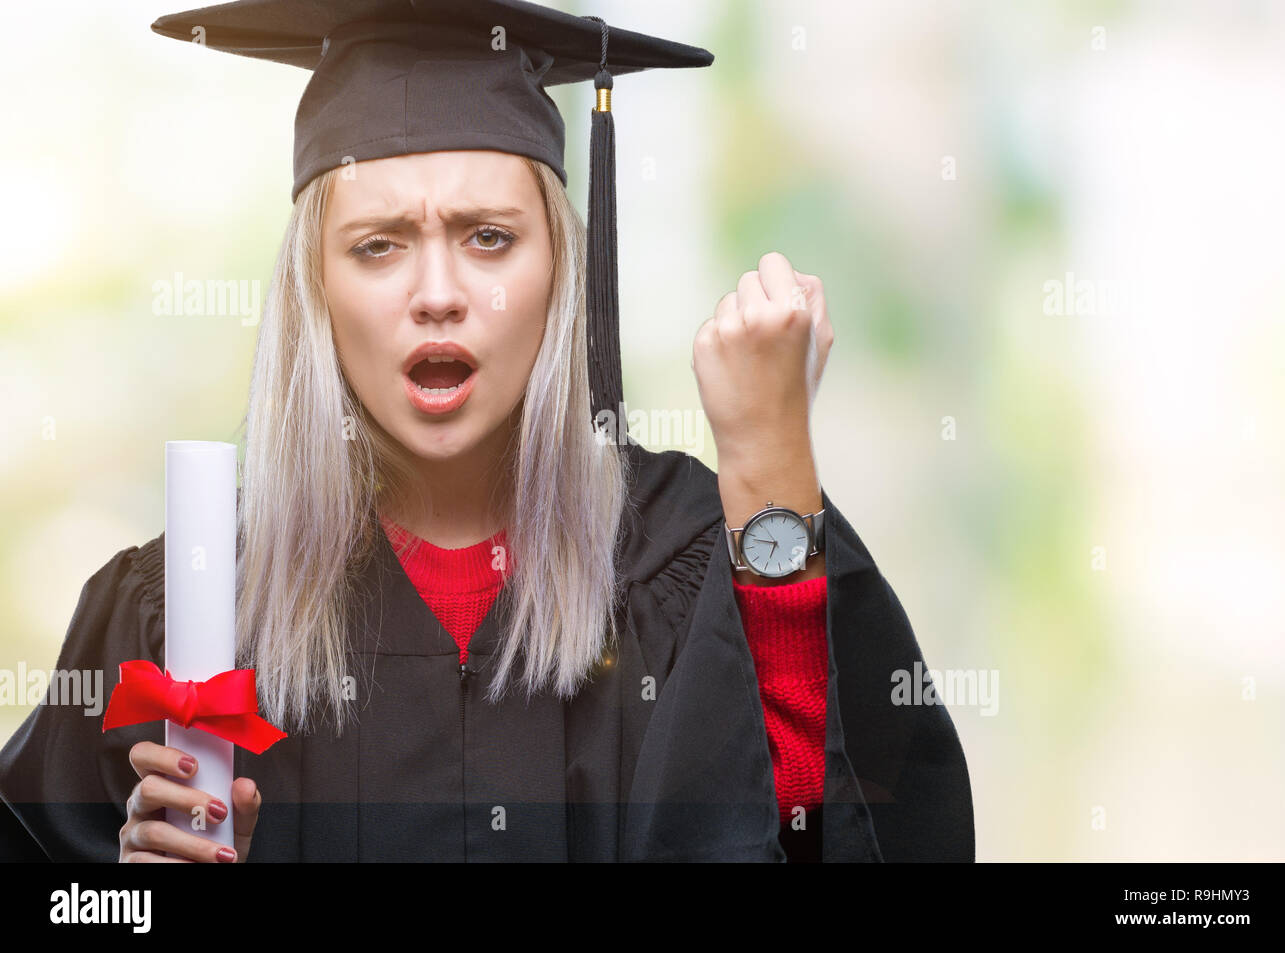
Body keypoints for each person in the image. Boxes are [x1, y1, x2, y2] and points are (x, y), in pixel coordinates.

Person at [0, 0, 974, 862]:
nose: (436, 295)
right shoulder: (184, 611)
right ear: (316, 291)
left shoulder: (701, 550)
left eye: (488, 236)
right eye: (377, 246)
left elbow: (840, 836)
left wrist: (770, 464)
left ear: (561, 265)